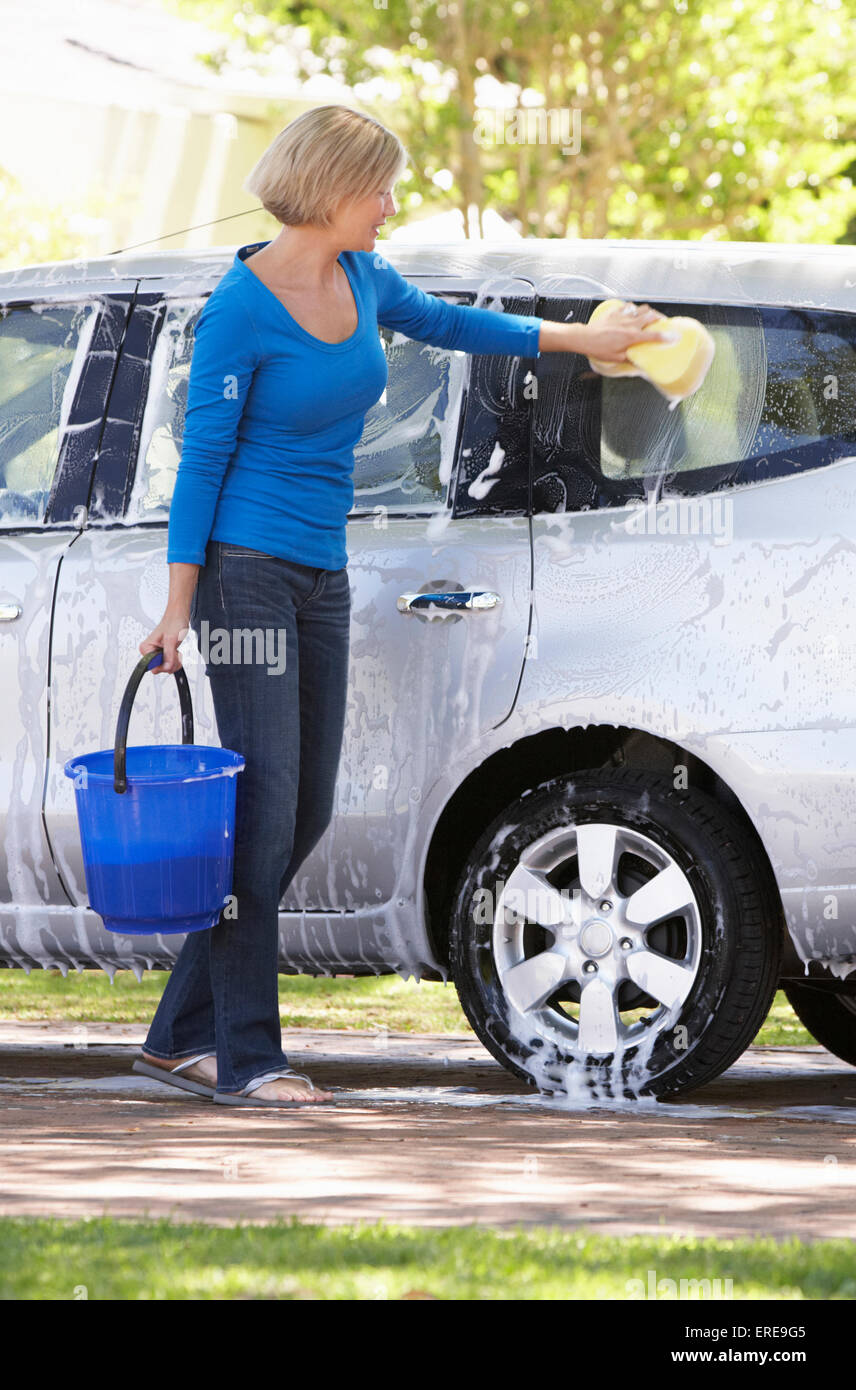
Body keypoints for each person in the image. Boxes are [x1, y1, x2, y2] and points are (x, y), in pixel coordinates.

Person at [134, 104, 666, 1108]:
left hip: (318, 574)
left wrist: (584, 336)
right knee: (260, 814)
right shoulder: (240, 311)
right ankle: (248, 1057)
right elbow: (201, 460)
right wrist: (177, 607)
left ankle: (174, 1035)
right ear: (331, 189)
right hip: (243, 575)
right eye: (380, 186)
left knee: (305, 808)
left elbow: (460, 324)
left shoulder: (364, 280)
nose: (391, 204)